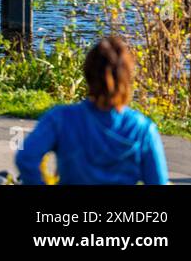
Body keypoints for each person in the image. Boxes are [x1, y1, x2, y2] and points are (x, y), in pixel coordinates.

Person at [15, 36, 168, 185]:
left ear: (88, 74)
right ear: (127, 78)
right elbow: (158, 181)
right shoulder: (142, 129)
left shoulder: (61, 118)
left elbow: (26, 158)